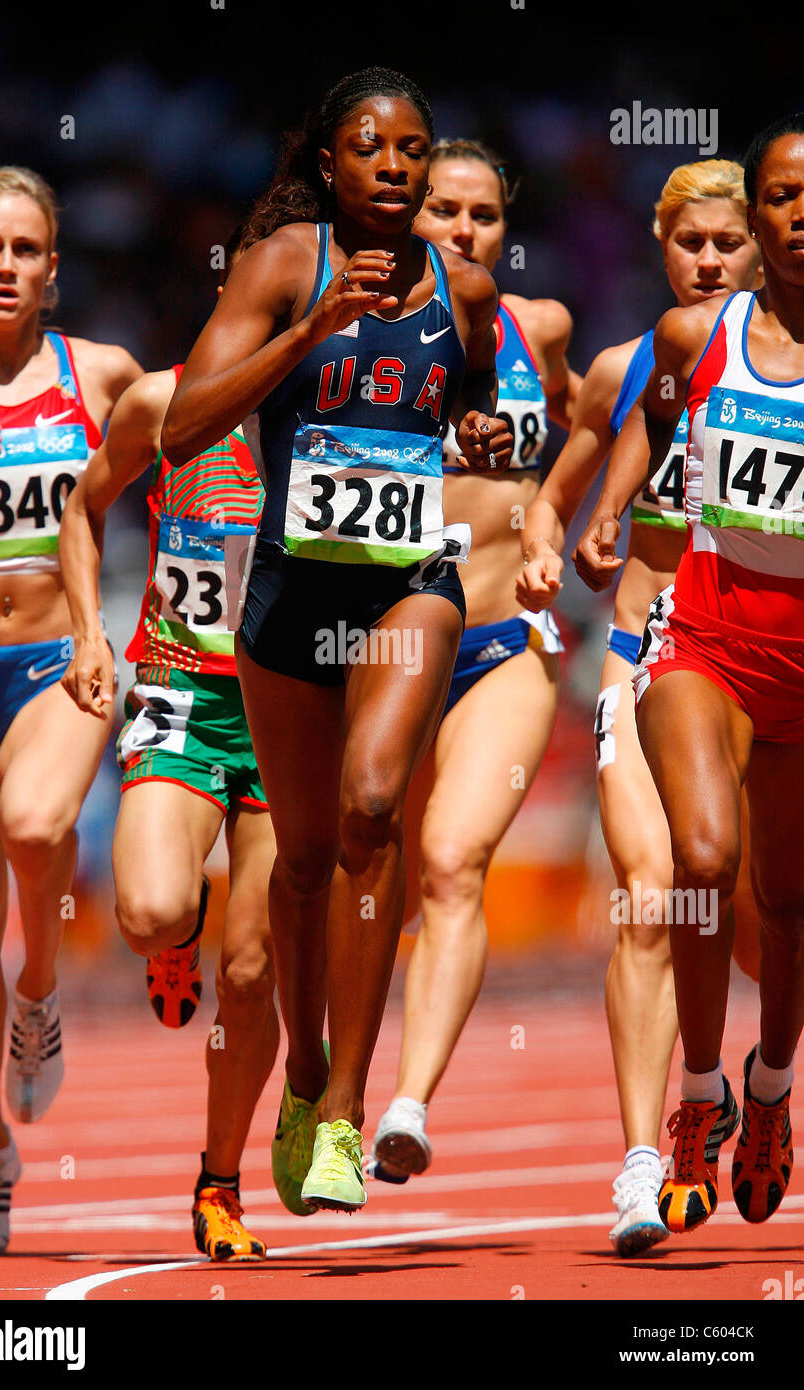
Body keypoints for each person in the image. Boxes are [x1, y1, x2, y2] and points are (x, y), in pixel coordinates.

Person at [162, 67, 512, 1213]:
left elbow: (464, 398)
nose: (398, 166)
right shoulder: (281, 263)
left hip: (411, 585)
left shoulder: (462, 285)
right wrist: (316, 326)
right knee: (302, 861)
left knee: (372, 808)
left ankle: (349, 1105)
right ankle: (303, 1072)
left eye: (415, 149)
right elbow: (185, 427)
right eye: (372, 147)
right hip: (288, 605)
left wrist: (478, 430)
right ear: (329, 161)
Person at [517, 160, 762, 1253]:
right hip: (646, 650)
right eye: (689, 243)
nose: (707, 261)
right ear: (660, 245)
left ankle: (763, 1082)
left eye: (728, 244)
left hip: (768, 665)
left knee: (759, 924)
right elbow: (562, 490)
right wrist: (546, 542)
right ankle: (640, 1158)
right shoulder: (631, 365)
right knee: (651, 894)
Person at [571, 115, 804, 1235]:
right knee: (696, 862)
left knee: (785, 908)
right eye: (782, 195)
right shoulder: (688, 337)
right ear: (762, 218)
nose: (796, 213)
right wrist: (607, 507)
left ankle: (768, 1095)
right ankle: (696, 1098)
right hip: (696, 639)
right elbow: (650, 417)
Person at [0, 166, 141, 1254]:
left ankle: (44, 992)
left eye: (26, 251)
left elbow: (208, 436)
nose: (6, 267)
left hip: (57, 656)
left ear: (53, 270)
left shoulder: (99, 373)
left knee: (36, 824)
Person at [367, 138, 579, 1183]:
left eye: (485, 214)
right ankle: (322, 1095)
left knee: (453, 862)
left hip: (503, 643)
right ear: (407, 218)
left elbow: (589, 434)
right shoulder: (355, 328)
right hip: (381, 642)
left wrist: (551, 526)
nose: (463, 228)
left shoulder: (541, 330)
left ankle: (407, 1105)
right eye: (443, 210)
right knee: (372, 880)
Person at [59, 258, 279, 1256]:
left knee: (254, 970)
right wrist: (88, 632)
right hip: (182, 693)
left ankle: (220, 1180)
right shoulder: (163, 401)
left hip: (294, 711)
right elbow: (83, 503)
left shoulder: (340, 424)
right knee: (148, 913)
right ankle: (180, 929)